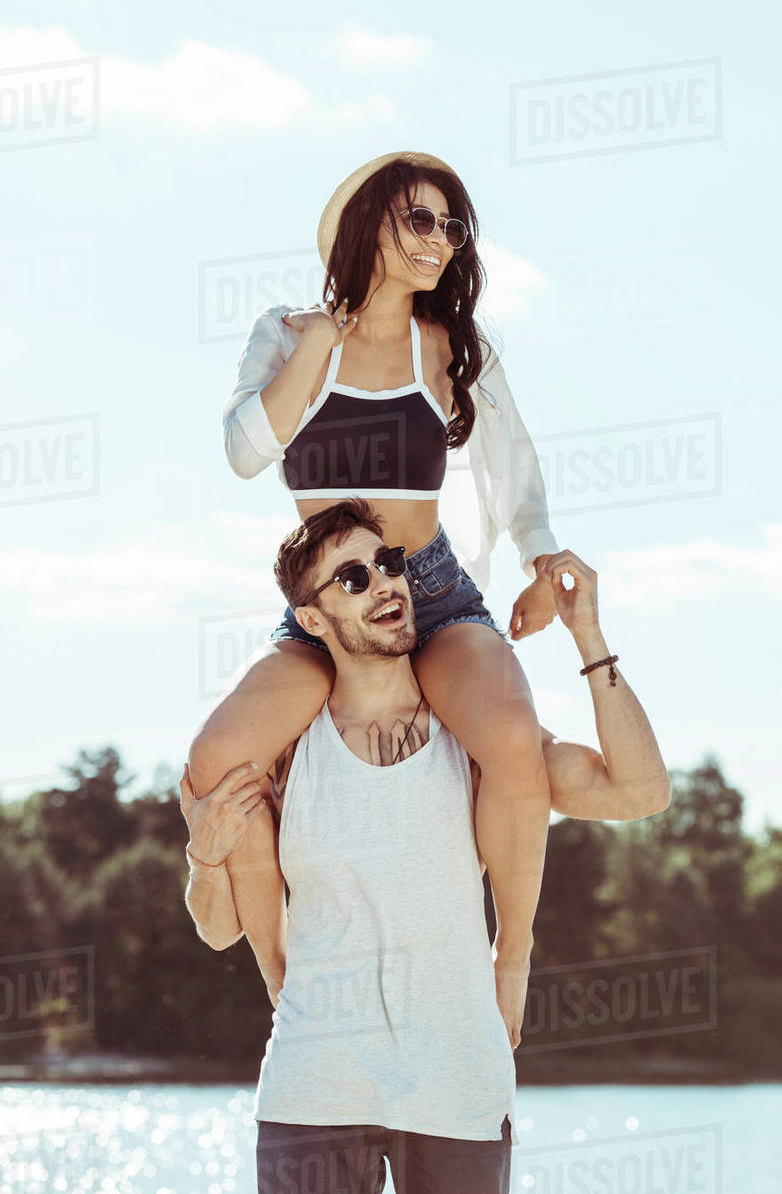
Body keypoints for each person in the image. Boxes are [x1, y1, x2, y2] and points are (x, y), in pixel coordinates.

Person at [181, 499, 671, 1194]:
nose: (383, 582)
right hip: (313, 1094)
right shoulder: (287, 755)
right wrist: (203, 858)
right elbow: (218, 927)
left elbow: (640, 792)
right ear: (313, 619)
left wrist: (587, 636)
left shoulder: (478, 742)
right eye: (353, 577)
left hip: (457, 1094)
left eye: (387, 564)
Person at [190, 152, 566, 1040]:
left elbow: (514, 459)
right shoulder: (284, 334)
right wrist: (318, 341)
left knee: (513, 740)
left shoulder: (448, 346)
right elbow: (245, 450)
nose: (440, 240)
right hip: (326, 606)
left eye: (451, 226)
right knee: (218, 768)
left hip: (429, 589)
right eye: (420, 220)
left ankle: (506, 962)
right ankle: (287, 992)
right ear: (370, 224)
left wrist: (541, 557)